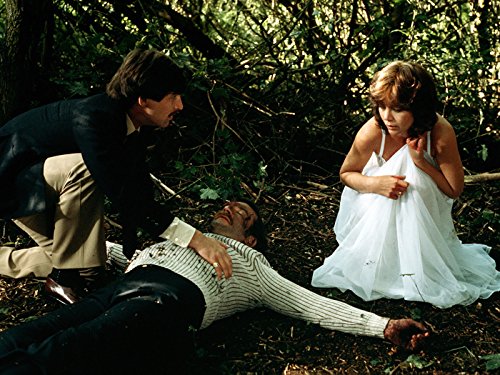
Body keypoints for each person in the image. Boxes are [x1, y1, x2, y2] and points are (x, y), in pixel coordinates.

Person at [0, 200, 429, 374]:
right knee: (29, 333)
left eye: (241, 212)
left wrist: (383, 326)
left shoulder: (251, 264)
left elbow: (309, 304)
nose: (229, 208)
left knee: (64, 349)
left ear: (250, 237)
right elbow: (108, 251)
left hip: (160, 305)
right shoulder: (177, 236)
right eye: (228, 204)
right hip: (118, 289)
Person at [0, 48, 232, 304]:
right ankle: (66, 279)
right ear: (143, 100)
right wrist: (194, 239)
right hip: (12, 186)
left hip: (40, 189)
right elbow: (120, 189)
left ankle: (71, 273)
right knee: (85, 170)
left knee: (82, 259)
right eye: (173, 96)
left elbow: (139, 187)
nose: (180, 105)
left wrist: (134, 249)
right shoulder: (95, 118)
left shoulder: (133, 124)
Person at [311, 61, 500, 308]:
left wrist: (421, 162)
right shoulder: (373, 130)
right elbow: (347, 173)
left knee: (414, 180)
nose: (387, 116)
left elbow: (454, 190)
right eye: (381, 106)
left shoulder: (440, 133)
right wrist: (375, 184)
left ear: (418, 108)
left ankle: (416, 261)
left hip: (424, 218)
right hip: (373, 210)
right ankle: (385, 261)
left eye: (398, 109)